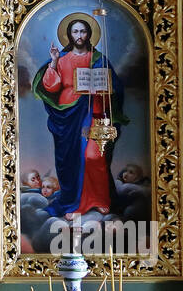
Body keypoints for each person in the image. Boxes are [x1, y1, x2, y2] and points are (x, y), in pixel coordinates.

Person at [32, 15, 127, 219]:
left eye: (83, 31)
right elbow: (51, 86)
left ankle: (100, 199)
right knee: (71, 160)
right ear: (69, 34)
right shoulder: (62, 59)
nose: (79, 35)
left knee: (95, 156)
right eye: (75, 31)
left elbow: (116, 88)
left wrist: (105, 88)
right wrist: (55, 61)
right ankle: (73, 203)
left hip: (95, 113)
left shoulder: (99, 59)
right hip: (68, 116)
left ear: (89, 34)